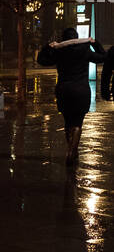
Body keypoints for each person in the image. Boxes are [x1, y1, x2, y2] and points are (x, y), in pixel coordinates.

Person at [37, 26, 106, 166]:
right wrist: (95, 43)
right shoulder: (84, 50)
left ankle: (72, 150)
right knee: (78, 122)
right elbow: (102, 57)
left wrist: (47, 47)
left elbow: (42, 60)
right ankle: (72, 151)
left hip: (64, 91)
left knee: (68, 121)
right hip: (81, 91)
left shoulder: (59, 52)